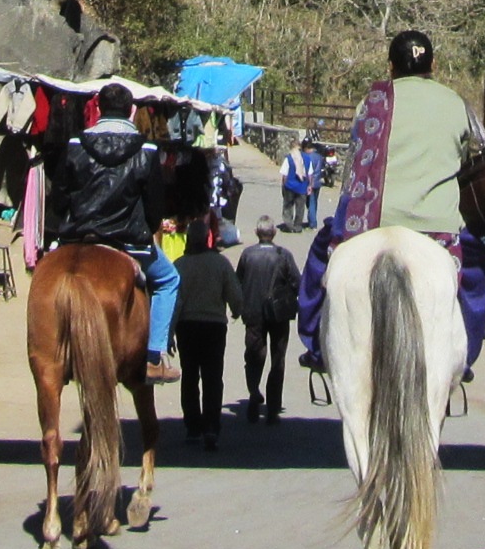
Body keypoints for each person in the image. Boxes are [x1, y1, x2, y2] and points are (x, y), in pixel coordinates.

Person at [297, 33, 485, 376]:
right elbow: (462, 160)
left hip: (372, 221)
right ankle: (465, 356)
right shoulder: (456, 103)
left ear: (390, 67)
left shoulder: (372, 102)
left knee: (318, 262)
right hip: (439, 228)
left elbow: (356, 158)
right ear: (433, 65)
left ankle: (316, 345)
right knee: (475, 278)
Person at [45, 85, 179, 382]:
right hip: (130, 242)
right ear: (131, 110)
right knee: (170, 280)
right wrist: (146, 227)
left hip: (77, 237)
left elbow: (59, 197)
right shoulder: (147, 149)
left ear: (99, 108)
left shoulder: (76, 144)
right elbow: (155, 207)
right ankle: (154, 356)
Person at [171, 225, 236, 450]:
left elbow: (174, 303)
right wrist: (238, 310)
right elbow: (234, 293)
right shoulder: (220, 264)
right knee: (213, 378)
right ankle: (211, 426)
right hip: (214, 326)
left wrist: (168, 334)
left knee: (189, 377)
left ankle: (192, 426)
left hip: (187, 326)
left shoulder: (179, 265)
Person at [235, 218, 299, 425]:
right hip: (278, 314)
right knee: (277, 360)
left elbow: (238, 282)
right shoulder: (284, 255)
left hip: (252, 313)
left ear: (256, 232)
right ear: (274, 233)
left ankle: (254, 391)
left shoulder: (247, 255)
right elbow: (297, 283)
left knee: (254, 356)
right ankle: (272, 409)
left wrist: (238, 307)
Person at [280, 143, 314, 232]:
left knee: (288, 206)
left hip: (290, 186)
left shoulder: (289, 158)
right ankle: (298, 226)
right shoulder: (307, 158)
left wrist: (283, 185)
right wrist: (310, 185)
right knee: (300, 207)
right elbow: (310, 174)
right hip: (302, 187)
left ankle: (288, 225)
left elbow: (284, 174)